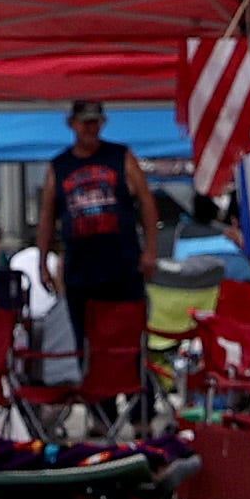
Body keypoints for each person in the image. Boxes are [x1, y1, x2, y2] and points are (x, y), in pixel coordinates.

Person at [35, 100, 155, 424]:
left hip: (123, 266)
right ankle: (101, 415)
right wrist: (42, 259)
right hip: (81, 272)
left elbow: (145, 200)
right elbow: (47, 214)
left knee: (130, 341)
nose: (91, 129)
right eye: (85, 123)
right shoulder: (58, 166)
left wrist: (151, 250)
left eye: (96, 123)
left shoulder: (120, 156)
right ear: (72, 124)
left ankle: (140, 412)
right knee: (87, 346)